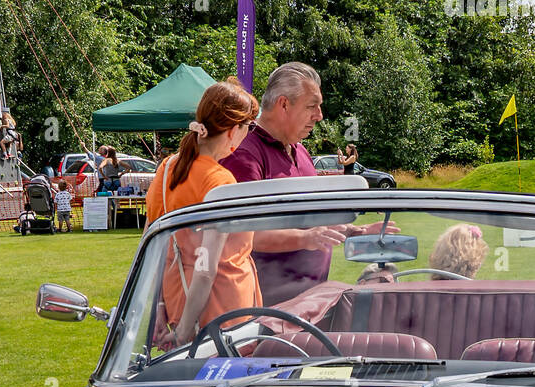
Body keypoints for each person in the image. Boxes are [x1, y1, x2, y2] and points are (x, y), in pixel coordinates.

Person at [221, 61, 386, 304]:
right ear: (284, 104)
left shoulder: (300, 151)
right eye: (312, 106)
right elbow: (242, 237)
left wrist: (350, 231)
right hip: (267, 310)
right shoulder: (245, 154)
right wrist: (305, 239)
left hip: (308, 302)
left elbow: (309, 222)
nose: (319, 116)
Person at [145, 77, 263, 347]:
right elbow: (206, 268)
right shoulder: (220, 181)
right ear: (234, 130)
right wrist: (185, 330)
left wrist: (162, 310)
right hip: (224, 314)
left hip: (180, 302)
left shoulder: (167, 169)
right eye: (249, 126)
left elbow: (152, 250)